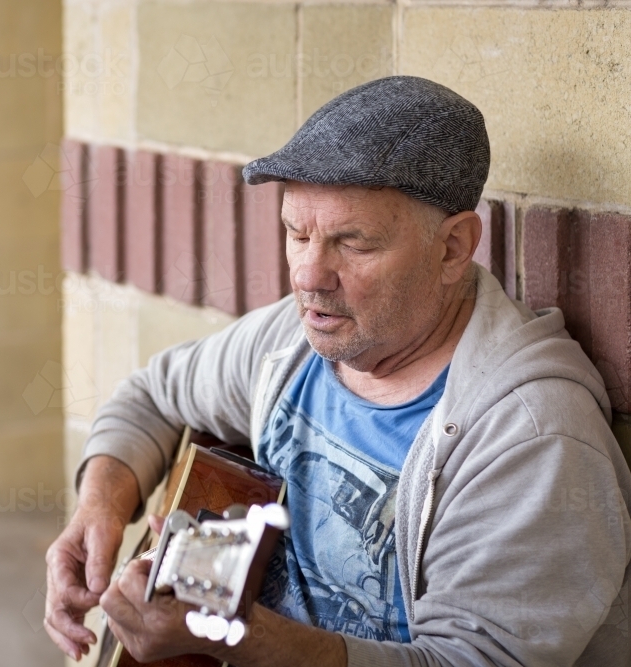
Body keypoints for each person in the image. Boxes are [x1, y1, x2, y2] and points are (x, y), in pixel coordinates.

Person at [44, 75, 631, 666]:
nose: (307, 275)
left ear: (454, 247)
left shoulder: (530, 436)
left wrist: (230, 636)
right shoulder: (291, 342)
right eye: (297, 234)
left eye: (353, 244)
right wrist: (100, 507)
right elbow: (151, 396)